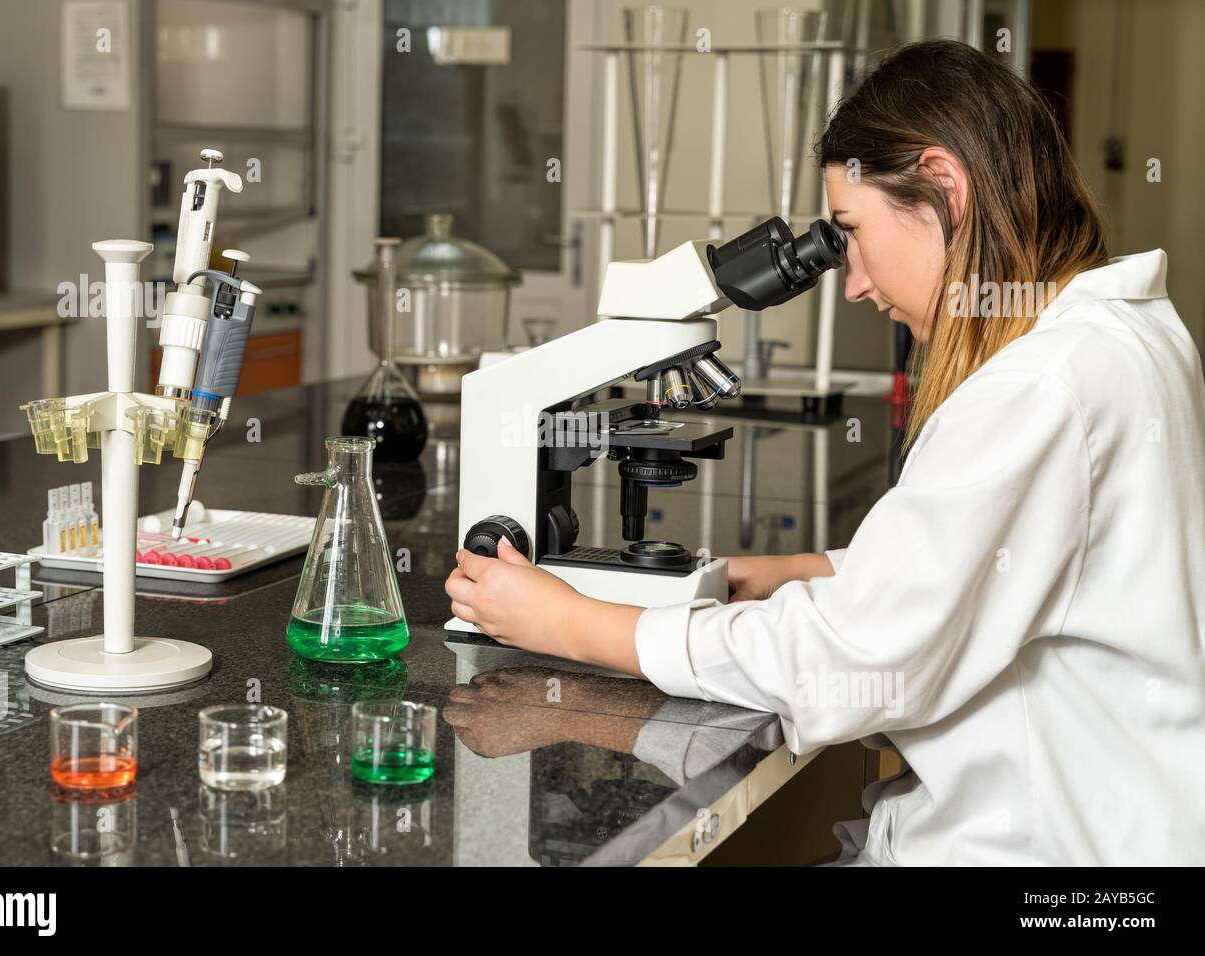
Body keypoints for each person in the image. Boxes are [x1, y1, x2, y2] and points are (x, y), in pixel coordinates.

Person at [444, 39, 1205, 865]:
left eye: (851, 231)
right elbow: (1001, 566)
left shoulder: (1042, 385)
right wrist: (797, 572)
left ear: (944, 186)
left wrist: (574, 624)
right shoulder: (1118, 335)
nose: (853, 283)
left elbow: (855, 660)